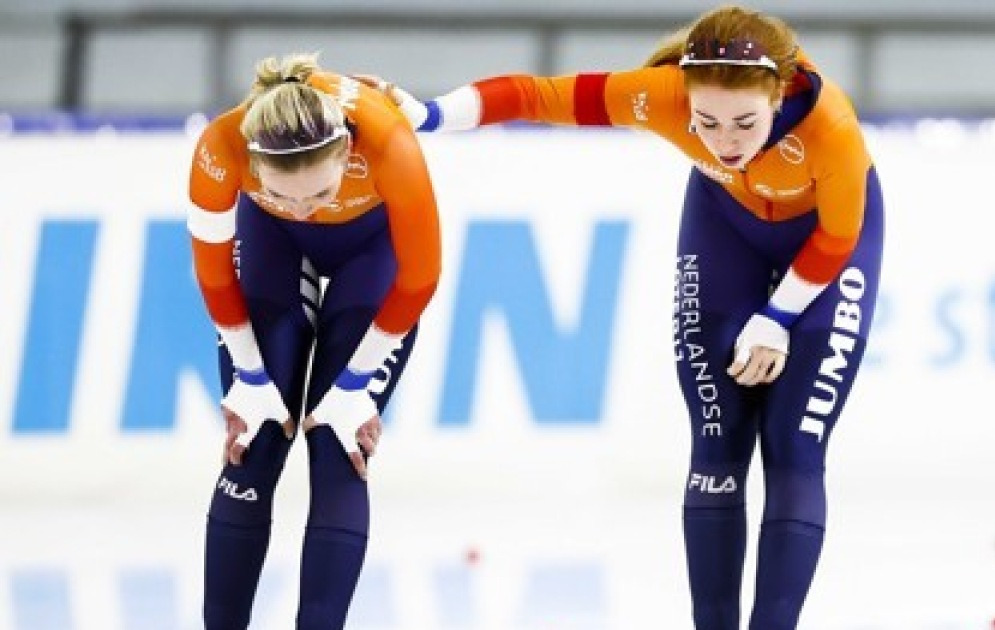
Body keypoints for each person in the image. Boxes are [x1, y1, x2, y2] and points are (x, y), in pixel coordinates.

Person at [365, 5, 884, 629]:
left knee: (794, 447)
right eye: (707, 122)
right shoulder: (658, 96)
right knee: (716, 444)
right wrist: (431, 115)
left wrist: (778, 318)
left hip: (827, 250)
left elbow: (836, 239)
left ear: (777, 98)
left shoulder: (832, 127)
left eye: (746, 123)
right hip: (726, 228)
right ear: (683, 97)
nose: (726, 141)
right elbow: (536, 95)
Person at [187, 53, 441, 629]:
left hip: (371, 253)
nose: (305, 208)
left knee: (339, 445)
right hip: (272, 246)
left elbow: (420, 276)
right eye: (287, 196)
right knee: (253, 445)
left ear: (348, 153)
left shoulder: (387, 140)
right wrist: (248, 376)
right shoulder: (221, 145)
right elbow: (213, 274)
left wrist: (358, 384)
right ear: (254, 163)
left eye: (320, 194)